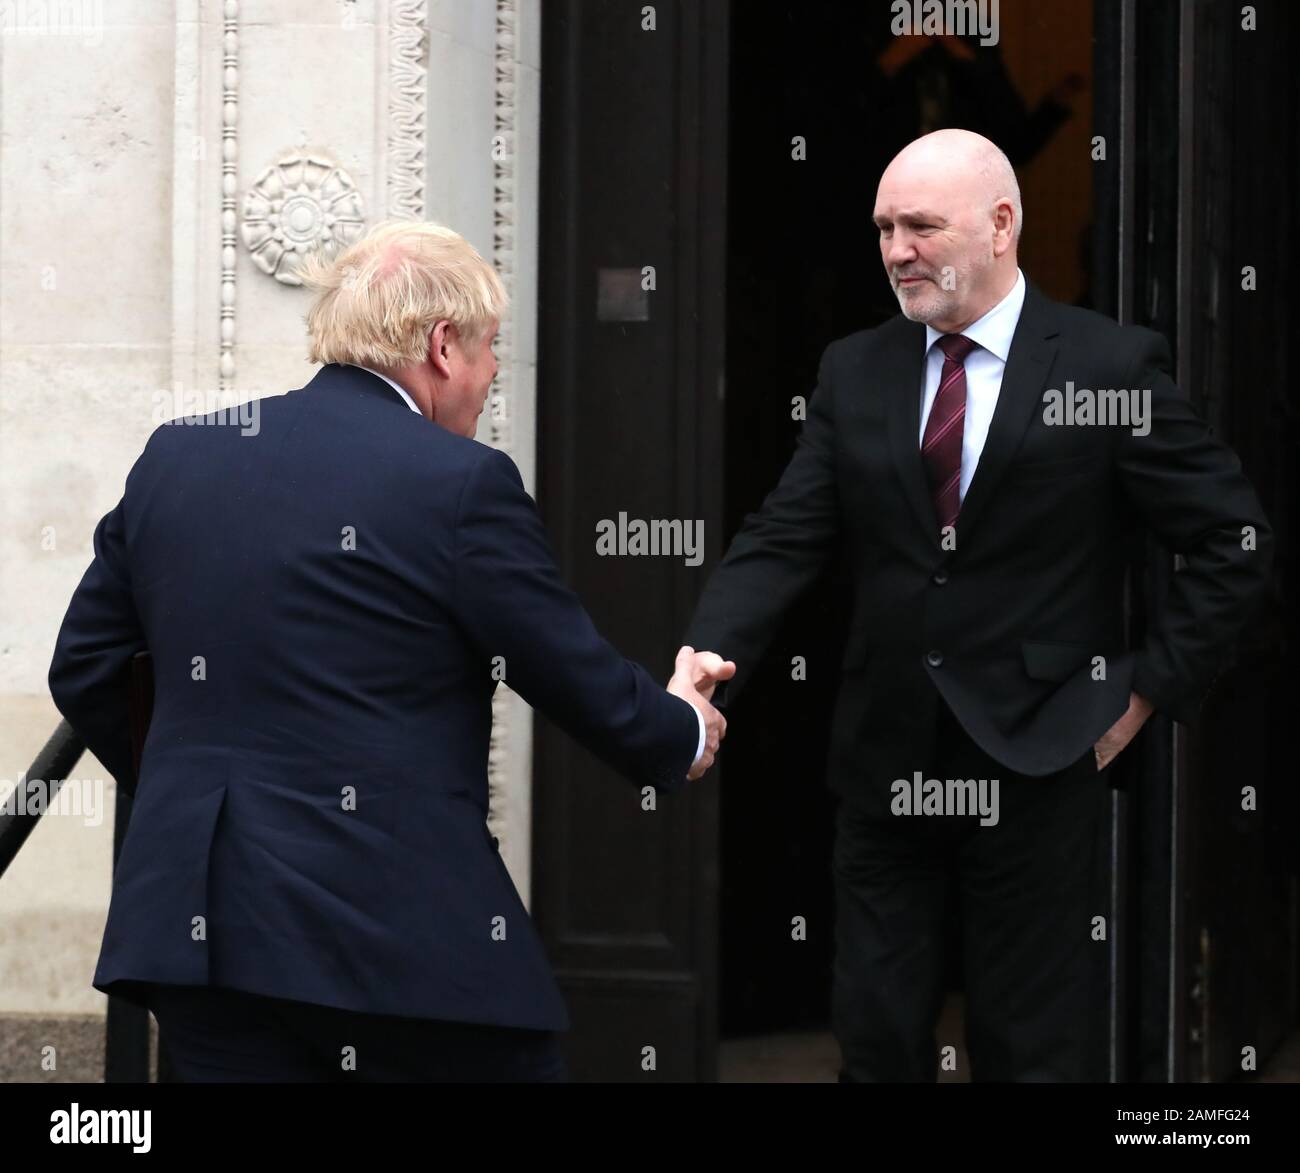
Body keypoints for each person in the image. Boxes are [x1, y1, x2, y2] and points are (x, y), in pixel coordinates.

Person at [48, 220, 733, 1082]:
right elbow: (572, 675)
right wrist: (679, 721)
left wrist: (196, 795)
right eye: (489, 352)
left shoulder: (177, 456)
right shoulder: (459, 482)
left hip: (200, 931)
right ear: (443, 346)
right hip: (400, 944)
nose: (489, 380)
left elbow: (84, 667)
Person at [681, 129, 1273, 1082]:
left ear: (1003, 225)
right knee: (874, 1043)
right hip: (884, 760)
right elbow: (785, 533)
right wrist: (707, 652)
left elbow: (1232, 544)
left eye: (920, 225)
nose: (896, 249)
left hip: (1041, 760)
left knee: (1031, 1051)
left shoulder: (1106, 369)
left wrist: (1142, 694)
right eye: (883, 228)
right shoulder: (855, 369)